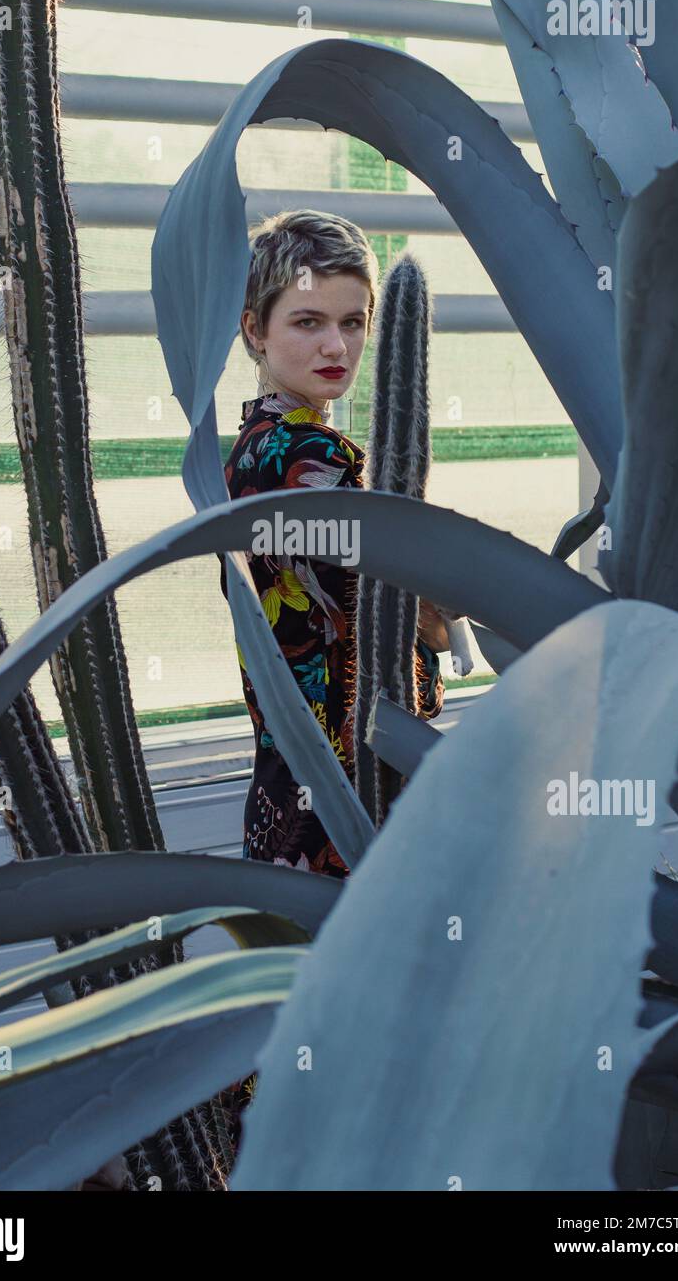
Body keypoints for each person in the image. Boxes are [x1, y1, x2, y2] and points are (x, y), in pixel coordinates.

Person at [219, 210, 454, 876]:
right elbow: (421, 601)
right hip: (353, 804)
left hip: (282, 803)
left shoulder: (247, 451)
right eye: (307, 321)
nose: (336, 348)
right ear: (253, 331)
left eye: (353, 322)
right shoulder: (313, 456)